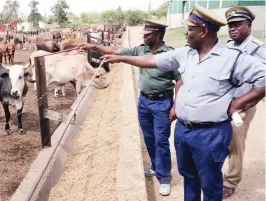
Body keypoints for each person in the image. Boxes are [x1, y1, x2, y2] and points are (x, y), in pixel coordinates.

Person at [84, 5, 265, 201]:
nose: (186, 34)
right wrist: (121, 58)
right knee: (190, 178)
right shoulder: (185, 53)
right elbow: (152, 60)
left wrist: (238, 103)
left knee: (210, 184)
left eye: (190, 30)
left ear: (203, 32)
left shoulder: (232, 57)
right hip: (183, 131)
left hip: (210, 134)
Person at [81, 19, 181, 196]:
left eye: (147, 34)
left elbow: (180, 79)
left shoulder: (170, 54)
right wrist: (93, 46)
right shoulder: (140, 49)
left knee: (162, 140)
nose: (144, 37)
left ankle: (164, 177)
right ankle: (155, 166)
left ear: (157, 35)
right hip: (144, 101)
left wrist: (176, 104)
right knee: (149, 137)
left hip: (162, 102)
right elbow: (114, 50)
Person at [222, 6, 265, 198]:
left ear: (249, 25)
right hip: (223, 103)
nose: (233, 28)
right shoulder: (228, 46)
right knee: (219, 138)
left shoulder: (258, 48)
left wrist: (243, 102)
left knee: (235, 143)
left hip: (242, 105)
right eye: (230, 25)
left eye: (238, 24)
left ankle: (230, 181)